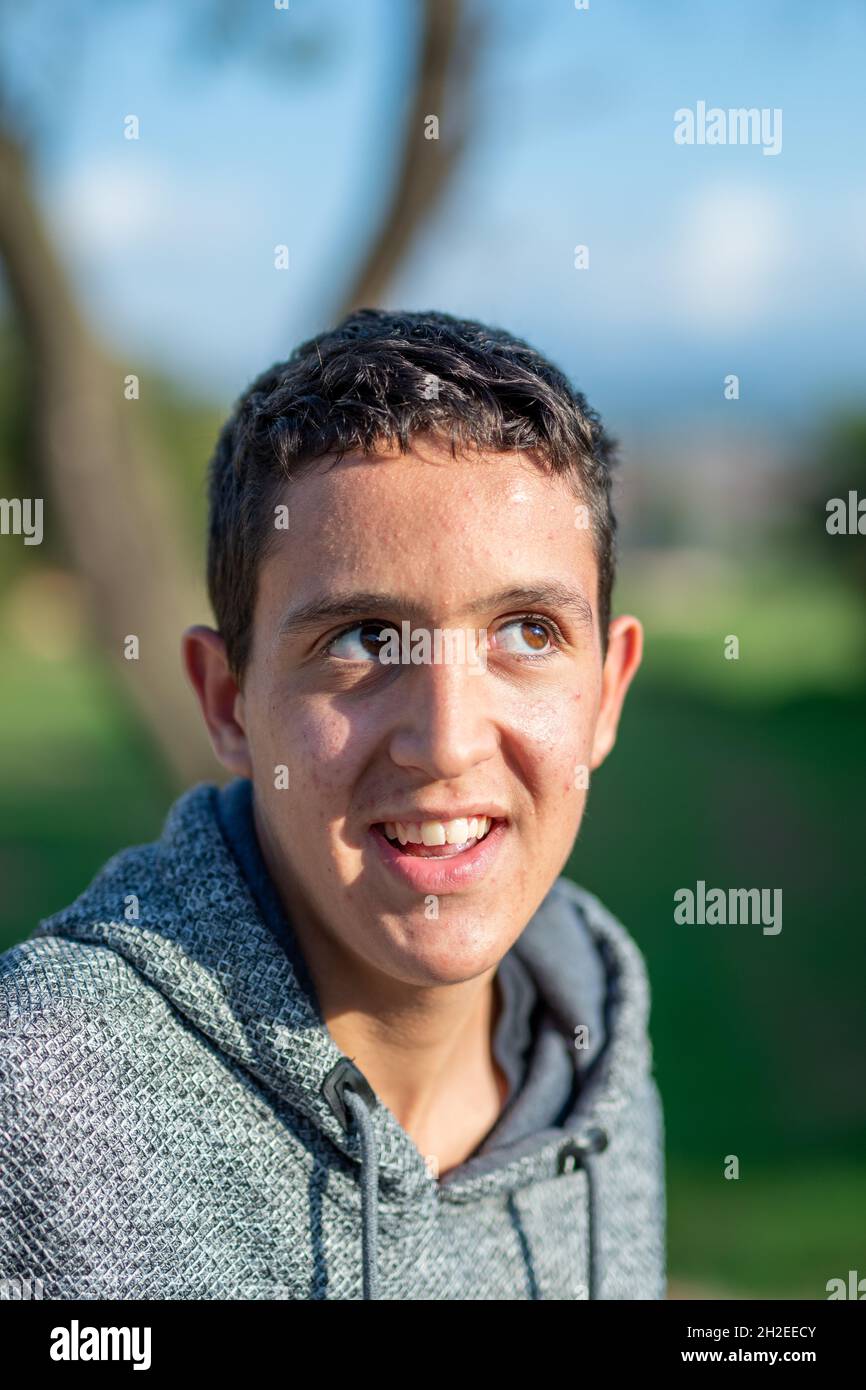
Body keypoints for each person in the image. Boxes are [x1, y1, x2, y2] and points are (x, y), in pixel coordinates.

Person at [0, 308, 665, 1300]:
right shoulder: (42, 1094)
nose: (445, 740)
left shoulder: (598, 1069)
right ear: (228, 700)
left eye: (525, 633)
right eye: (361, 639)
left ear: (604, 692)